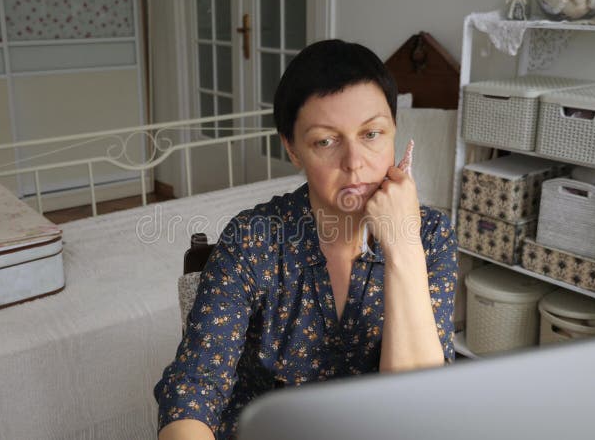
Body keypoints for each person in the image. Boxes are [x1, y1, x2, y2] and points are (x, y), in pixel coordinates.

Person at [154, 39, 457, 440]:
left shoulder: (431, 236)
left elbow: (421, 410)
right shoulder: (254, 240)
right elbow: (192, 391)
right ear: (293, 150)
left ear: (395, 133)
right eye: (325, 141)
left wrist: (402, 247)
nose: (354, 162)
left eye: (372, 133)